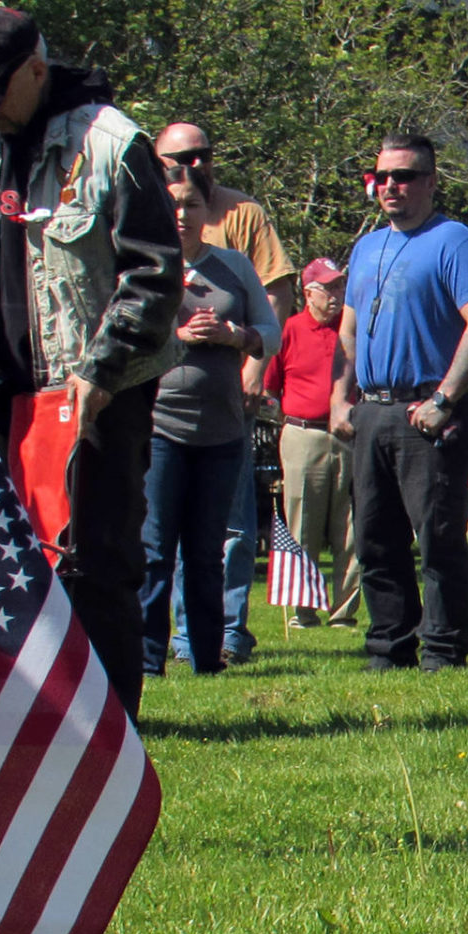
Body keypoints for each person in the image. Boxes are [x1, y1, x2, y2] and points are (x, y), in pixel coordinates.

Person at [0, 7, 181, 717]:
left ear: (34, 69)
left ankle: (109, 723)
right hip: (0, 388)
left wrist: (102, 370)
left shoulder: (111, 143)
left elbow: (154, 275)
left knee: (98, 558)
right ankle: (30, 714)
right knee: (6, 559)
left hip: (95, 390)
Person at [329, 134, 468, 672]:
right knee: (376, 541)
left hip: (427, 412)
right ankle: (389, 648)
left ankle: (445, 652)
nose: (389, 187)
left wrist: (446, 399)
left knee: (438, 538)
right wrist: (341, 398)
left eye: (403, 176)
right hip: (373, 410)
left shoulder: (454, 243)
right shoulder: (366, 248)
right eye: (380, 177)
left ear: (429, 181)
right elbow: (350, 329)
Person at [156, 122, 296, 665]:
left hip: (228, 392)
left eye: (203, 155)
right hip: (163, 409)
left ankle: (226, 636)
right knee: (159, 531)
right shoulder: (145, 226)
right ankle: (168, 640)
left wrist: (253, 367)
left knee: (228, 526)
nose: (194, 165)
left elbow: (277, 292)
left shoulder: (244, 215)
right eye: (180, 158)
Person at [140, 178, 278, 674]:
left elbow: (270, 331)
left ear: (207, 211)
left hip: (222, 430)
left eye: (191, 205)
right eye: (172, 205)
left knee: (205, 550)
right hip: (159, 427)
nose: (181, 215)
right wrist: (177, 335)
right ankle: (148, 657)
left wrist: (232, 334)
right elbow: (126, 334)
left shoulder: (234, 267)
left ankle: (206, 657)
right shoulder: (145, 267)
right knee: (155, 548)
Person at [264, 257, 361, 628]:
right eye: (329, 288)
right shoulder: (288, 329)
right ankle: (303, 610)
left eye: (340, 287)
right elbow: (269, 387)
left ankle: (344, 612)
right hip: (302, 434)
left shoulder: (351, 331)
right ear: (308, 293)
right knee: (302, 522)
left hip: (349, 435)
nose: (336, 295)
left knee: (351, 528)